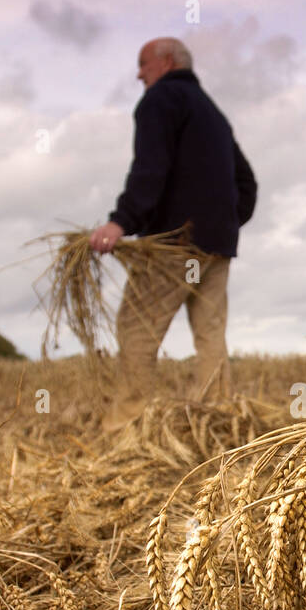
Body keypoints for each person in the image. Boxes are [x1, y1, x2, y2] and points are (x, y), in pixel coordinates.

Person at [89, 37, 256, 427]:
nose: (138, 73)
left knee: (136, 327)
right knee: (210, 334)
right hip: (216, 248)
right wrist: (224, 223)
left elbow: (151, 167)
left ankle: (128, 424)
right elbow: (247, 183)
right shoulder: (213, 114)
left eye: (142, 64)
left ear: (165, 62)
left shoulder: (160, 100)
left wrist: (122, 221)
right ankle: (217, 420)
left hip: (175, 244)